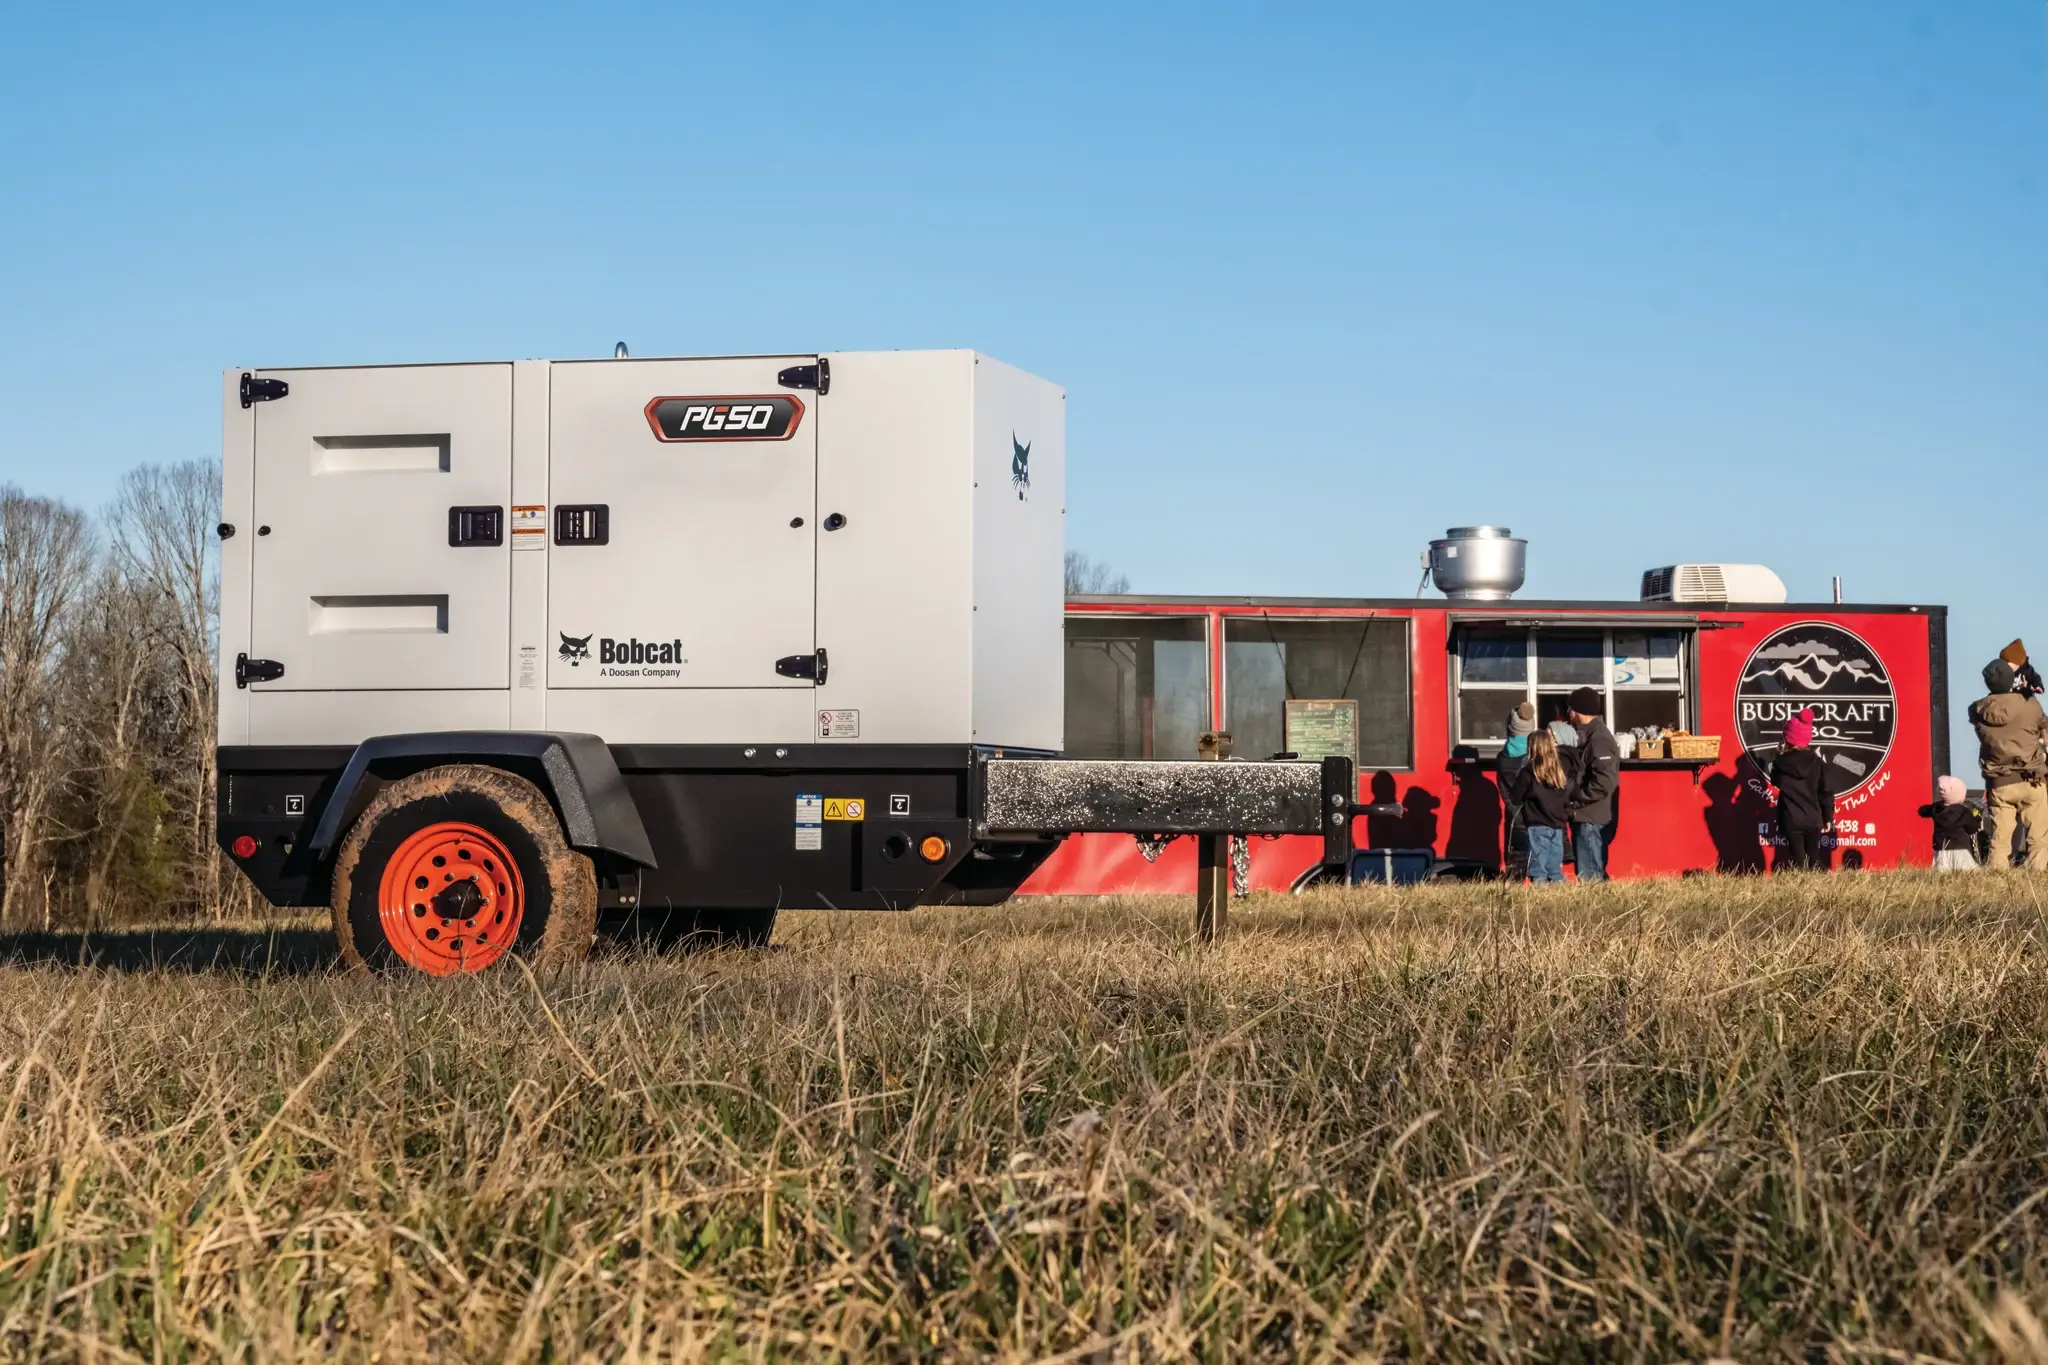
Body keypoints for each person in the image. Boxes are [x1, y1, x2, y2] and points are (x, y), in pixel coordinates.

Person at [1970, 658, 2048, 870]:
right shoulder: (2030, 706)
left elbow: (1979, 711)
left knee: (2000, 839)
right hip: (2032, 780)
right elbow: (2044, 725)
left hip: (2000, 783)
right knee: (2038, 838)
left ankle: (1997, 875)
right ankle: (2038, 874)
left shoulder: (1977, 710)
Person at [1564, 686, 1621, 881]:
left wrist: (1578, 797)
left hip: (1591, 818)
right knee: (1591, 875)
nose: (1568, 713)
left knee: (1590, 879)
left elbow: (1604, 783)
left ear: (1579, 711)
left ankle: (1597, 911)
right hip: (1588, 816)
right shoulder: (1589, 736)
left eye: (1570, 708)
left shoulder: (1600, 739)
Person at [1769, 707, 1836, 872]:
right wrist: (1827, 817)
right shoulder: (1818, 763)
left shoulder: (1781, 763)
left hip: (1791, 818)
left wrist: (1779, 755)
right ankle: (1824, 883)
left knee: (1798, 858)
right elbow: (1826, 792)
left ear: (1788, 739)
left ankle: (1803, 889)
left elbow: (1775, 781)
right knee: (1813, 854)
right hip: (1813, 818)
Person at [1505, 727, 1575, 882]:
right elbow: (1564, 798)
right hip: (1557, 825)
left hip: (1537, 825)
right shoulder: (1558, 771)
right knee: (1555, 869)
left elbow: (1516, 798)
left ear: (1531, 747)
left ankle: (1539, 900)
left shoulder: (1528, 772)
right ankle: (1561, 900)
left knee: (1538, 869)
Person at [1496, 702, 1537, 880]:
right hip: (1535, 812)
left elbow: (1502, 786)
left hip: (1514, 813)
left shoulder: (1502, 757)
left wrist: (1512, 804)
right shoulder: (1535, 756)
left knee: (1515, 857)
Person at [1917, 775, 1982, 873]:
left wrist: (1932, 807)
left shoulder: (1936, 808)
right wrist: (1977, 819)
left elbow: (1922, 811)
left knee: (1942, 873)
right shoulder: (1964, 812)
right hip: (1961, 849)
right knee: (1966, 873)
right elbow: (1972, 828)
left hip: (1941, 849)